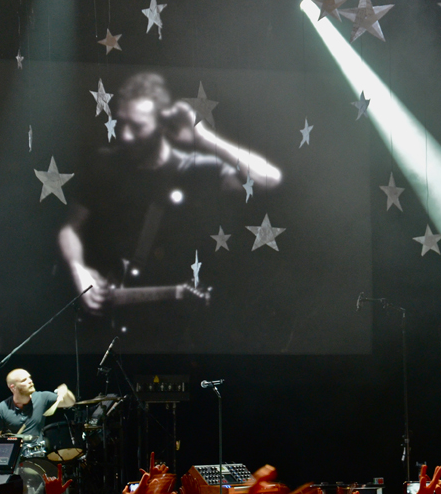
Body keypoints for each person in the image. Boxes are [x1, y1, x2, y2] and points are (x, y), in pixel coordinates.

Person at [58, 72, 281, 319]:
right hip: (108, 317)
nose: (125, 135)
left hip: (171, 321)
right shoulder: (106, 165)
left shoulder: (195, 170)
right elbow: (71, 228)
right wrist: (79, 270)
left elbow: (269, 179)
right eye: (122, 122)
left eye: (138, 126)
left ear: (162, 125)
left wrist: (203, 138)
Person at [0, 369, 76, 441]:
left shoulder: (42, 398)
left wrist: (66, 392)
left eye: (29, 378)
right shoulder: (1, 409)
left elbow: (70, 403)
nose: (30, 381)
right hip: (14, 454)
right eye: (24, 380)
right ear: (13, 387)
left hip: (37, 453)